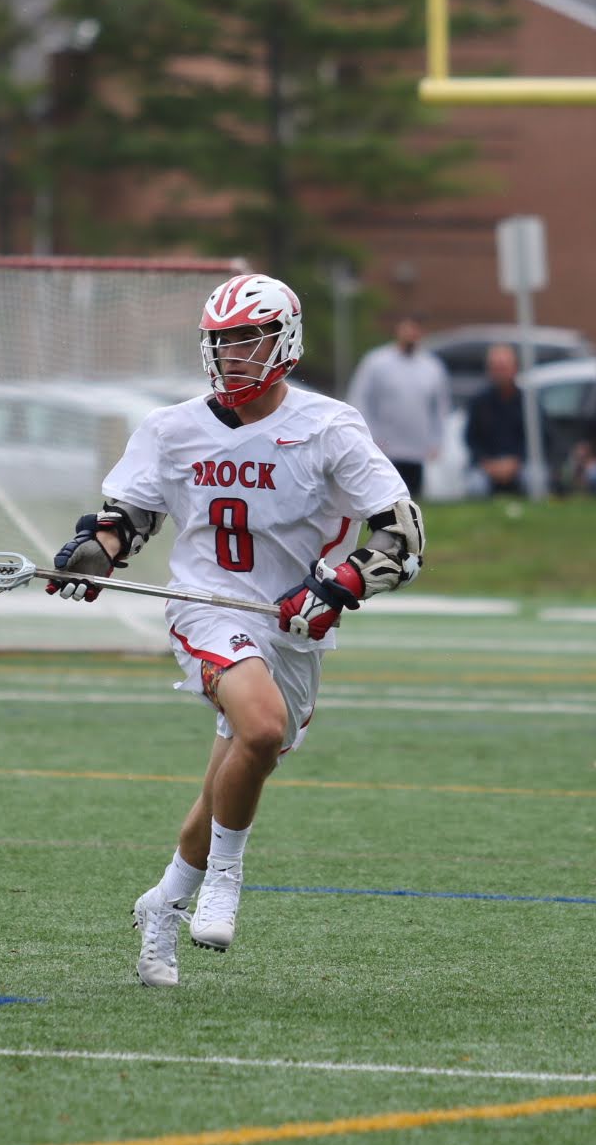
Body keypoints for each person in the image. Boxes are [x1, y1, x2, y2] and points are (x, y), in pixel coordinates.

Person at [46, 272, 425, 988]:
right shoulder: (171, 428)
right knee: (260, 727)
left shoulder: (329, 427)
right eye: (221, 341)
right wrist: (96, 553)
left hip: (289, 624)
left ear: (285, 340)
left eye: (248, 339)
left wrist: (337, 589)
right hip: (207, 607)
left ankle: (163, 905)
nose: (232, 355)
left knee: (236, 769)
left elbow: (401, 535)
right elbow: (128, 518)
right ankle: (226, 878)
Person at [346, 314, 450, 499]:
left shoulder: (432, 367)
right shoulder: (376, 362)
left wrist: (436, 441)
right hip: (384, 447)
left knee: (413, 497)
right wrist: (366, 436)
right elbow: (361, 400)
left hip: (417, 449)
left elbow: (440, 408)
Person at [463, 342, 528, 496]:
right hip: (487, 466)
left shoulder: (528, 403)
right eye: (495, 368)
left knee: (535, 477)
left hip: (520, 464)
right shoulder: (479, 402)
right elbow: (471, 439)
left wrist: (515, 462)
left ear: (515, 368)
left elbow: (538, 439)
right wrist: (488, 464)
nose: (500, 373)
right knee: (475, 483)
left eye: (503, 368)